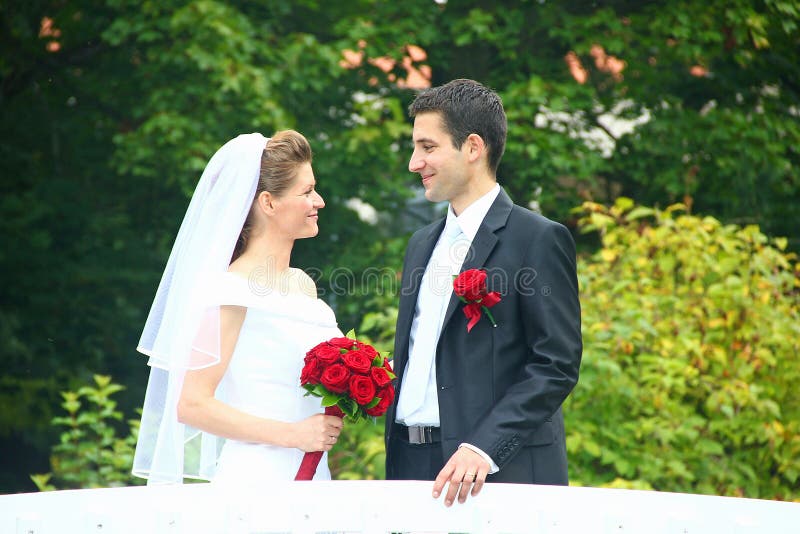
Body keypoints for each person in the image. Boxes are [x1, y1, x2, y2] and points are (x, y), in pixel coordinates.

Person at [385, 79, 582, 506]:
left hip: (496, 473)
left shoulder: (538, 238)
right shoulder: (421, 242)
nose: (414, 163)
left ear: (473, 147)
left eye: (428, 147)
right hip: (408, 465)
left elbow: (556, 364)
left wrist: (484, 447)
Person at [133, 130, 344, 485]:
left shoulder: (302, 285)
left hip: (313, 476)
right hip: (258, 478)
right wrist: (293, 435)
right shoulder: (231, 291)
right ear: (268, 202)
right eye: (306, 192)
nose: (318, 201)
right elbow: (192, 405)